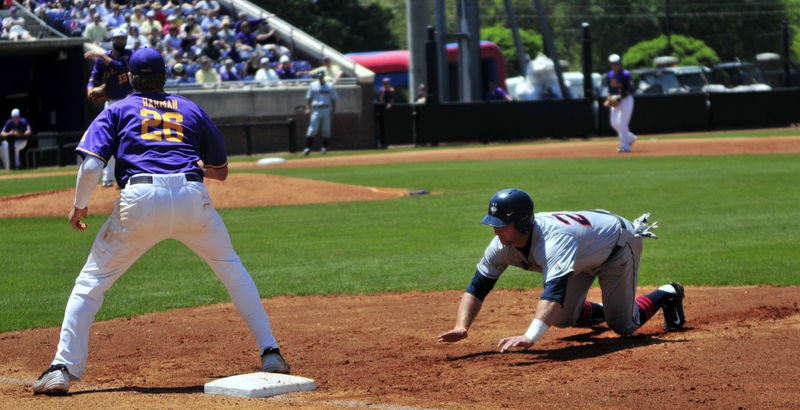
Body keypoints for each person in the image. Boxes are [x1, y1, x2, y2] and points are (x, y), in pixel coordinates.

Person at [31, 47, 290, 396]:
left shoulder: (119, 108)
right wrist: (197, 168)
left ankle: (62, 368)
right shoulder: (190, 108)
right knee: (233, 271)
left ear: (132, 79)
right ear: (165, 75)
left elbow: (92, 166)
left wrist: (79, 206)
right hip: (191, 196)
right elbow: (221, 172)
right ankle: (270, 352)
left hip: (139, 200)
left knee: (91, 283)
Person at [437, 188, 685, 353]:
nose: (496, 230)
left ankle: (668, 292)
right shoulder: (501, 246)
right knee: (561, 318)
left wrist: (530, 337)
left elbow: (553, 293)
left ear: (522, 222)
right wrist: (462, 326)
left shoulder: (554, 241)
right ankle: (605, 310)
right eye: (494, 224)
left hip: (616, 246)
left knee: (623, 325)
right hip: (580, 255)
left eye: (502, 225)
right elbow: (478, 286)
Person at [85, 27, 133, 187]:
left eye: (123, 38)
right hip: (111, 102)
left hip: (128, 101)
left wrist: (100, 55)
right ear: (112, 40)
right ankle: (108, 178)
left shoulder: (130, 55)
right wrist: (90, 89)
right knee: (110, 140)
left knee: (129, 139)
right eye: (118, 38)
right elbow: (94, 77)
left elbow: (120, 66)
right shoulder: (102, 59)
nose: (120, 41)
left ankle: (128, 175)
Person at [605, 54, 637, 153]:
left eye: (617, 63)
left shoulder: (626, 74)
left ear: (620, 63)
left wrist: (619, 97)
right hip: (615, 99)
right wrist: (609, 98)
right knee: (614, 123)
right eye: (613, 64)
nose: (615, 65)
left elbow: (631, 90)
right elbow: (610, 90)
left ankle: (625, 146)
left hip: (626, 100)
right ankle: (630, 137)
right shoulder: (610, 75)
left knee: (622, 123)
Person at [302, 70, 337, 156]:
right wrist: (307, 108)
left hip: (326, 108)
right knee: (312, 129)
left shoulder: (329, 85)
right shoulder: (313, 85)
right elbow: (308, 97)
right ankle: (307, 148)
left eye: (321, 76)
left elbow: (334, 99)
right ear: (317, 77)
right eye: (319, 76)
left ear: (324, 76)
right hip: (316, 109)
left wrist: (333, 110)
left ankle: (324, 148)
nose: (320, 77)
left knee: (326, 129)